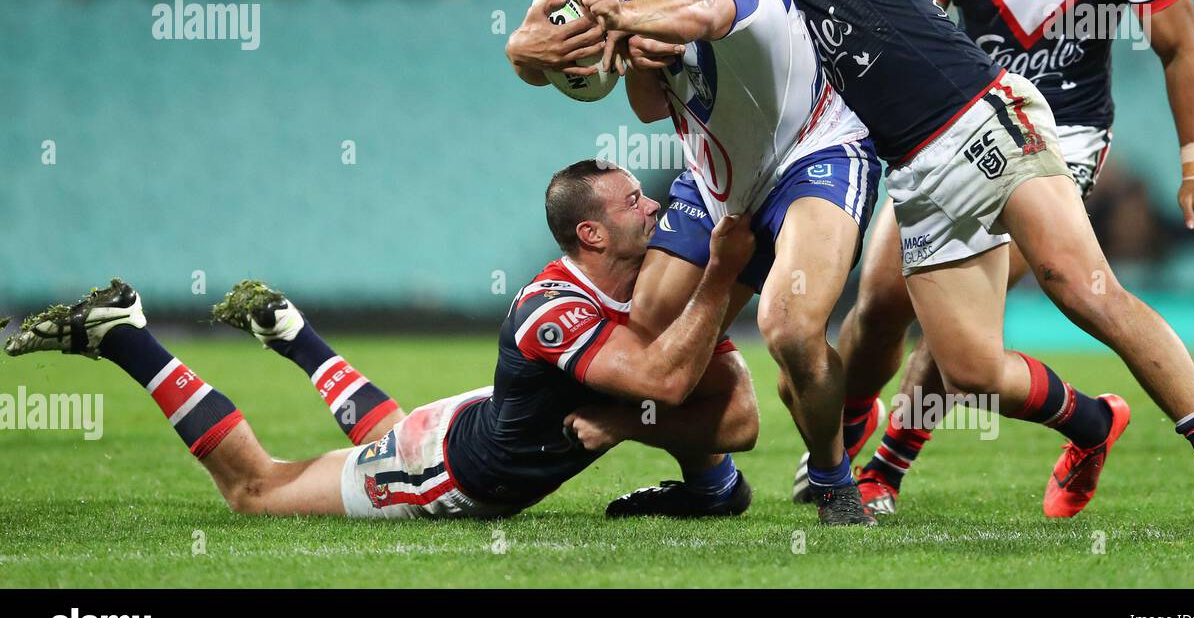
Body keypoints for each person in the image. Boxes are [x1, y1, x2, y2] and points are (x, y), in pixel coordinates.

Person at [615, 0, 1194, 530]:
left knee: (1083, 289)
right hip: (916, 168)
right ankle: (1089, 422)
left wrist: (634, 1)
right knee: (969, 369)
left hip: (978, 117)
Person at [839, 0, 1194, 519]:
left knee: (985, 299)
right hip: (962, 128)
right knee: (886, 291)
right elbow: (908, 40)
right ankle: (871, 443)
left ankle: (882, 469)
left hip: (1063, 140)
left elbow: (1179, 47)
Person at [4, 162, 760, 521]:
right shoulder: (552, 311)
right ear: (592, 233)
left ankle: (296, 337)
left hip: (476, 422)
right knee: (256, 492)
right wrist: (724, 276)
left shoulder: (648, 288)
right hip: (454, 474)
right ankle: (127, 337)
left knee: (393, 438)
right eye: (635, 201)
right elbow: (667, 384)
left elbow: (738, 423)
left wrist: (624, 421)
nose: (654, 204)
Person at [508, 0, 881, 524]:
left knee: (792, 330)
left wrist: (631, 22)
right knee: (646, 324)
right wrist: (522, 54)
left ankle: (832, 477)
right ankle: (713, 484)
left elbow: (703, 12)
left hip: (813, 160)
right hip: (716, 184)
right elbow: (636, 100)